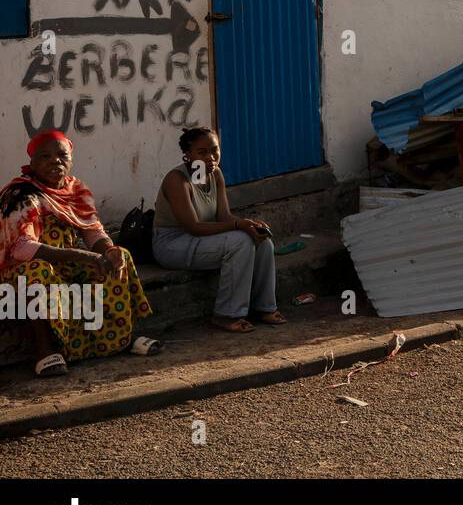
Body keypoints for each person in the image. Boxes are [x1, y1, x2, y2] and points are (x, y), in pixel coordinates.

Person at [0, 130, 156, 377]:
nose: (55, 161)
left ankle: (121, 337)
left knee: (121, 256)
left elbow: (93, 232)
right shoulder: (20, 195)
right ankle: (46, 350)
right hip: (20, 270)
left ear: (71, 159)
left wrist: (108, 250)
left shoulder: (76, 190)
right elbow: (21, 249)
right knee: (37, 271)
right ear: (32, 163)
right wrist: (85, 257)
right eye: (45, 156)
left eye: (62, 155)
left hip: (67, 263)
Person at [152, 127, 284, 333]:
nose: (210, 158)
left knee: (262, 240)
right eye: (201, 152)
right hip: (172, 244)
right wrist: (238, 225)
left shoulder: (216, 175)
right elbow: (192, 227)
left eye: (214, 151)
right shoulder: (176, 180)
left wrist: (248, 224)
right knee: (240, 242)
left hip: (203, 239)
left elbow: (224, 217)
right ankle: (226, 314)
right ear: (188, 155)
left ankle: (263, 307)